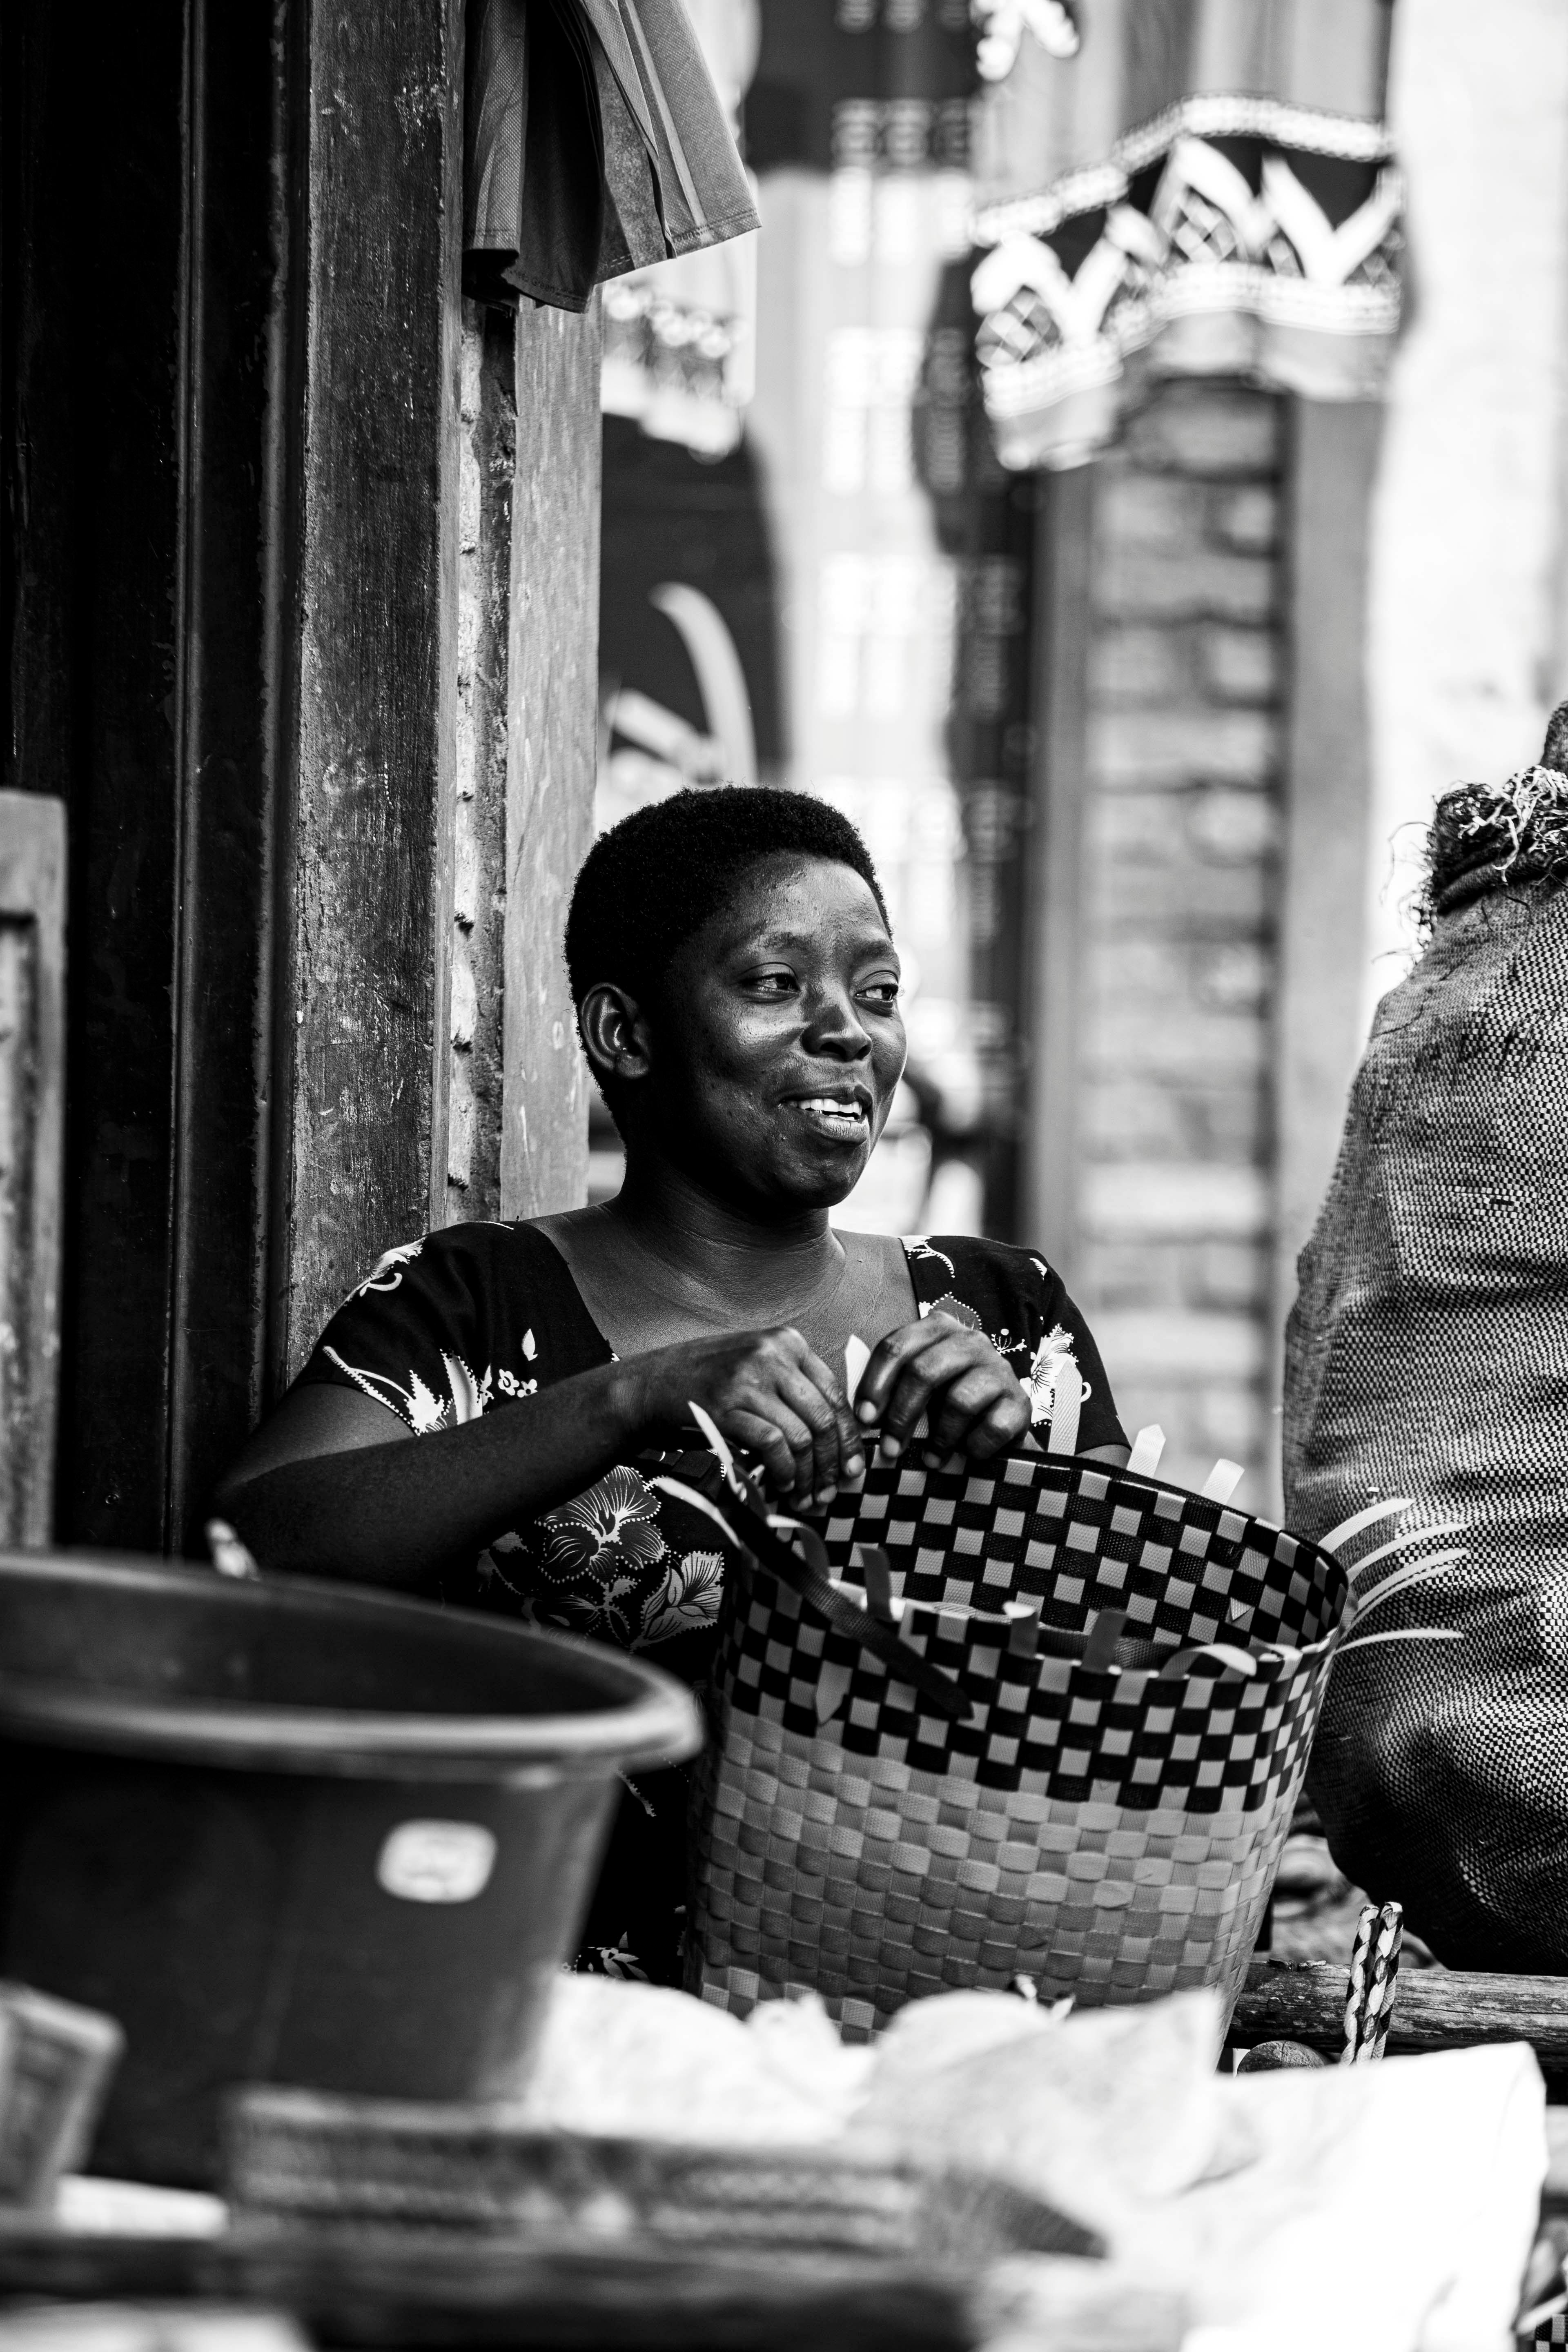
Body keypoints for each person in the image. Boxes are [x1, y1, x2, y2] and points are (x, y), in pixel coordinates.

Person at [219, 786, 1128, 1981]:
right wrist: (627, 1398)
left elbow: (1147, 1683)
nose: (847, 1030)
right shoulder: (479, 1303)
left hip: (928, 2005)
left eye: (879, 991)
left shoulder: (1004, 1319)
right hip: (550, 2003)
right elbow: (255, 1545)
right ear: (626, 1034)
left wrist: (1008, 1484)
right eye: (773, 984)